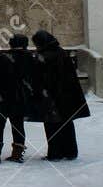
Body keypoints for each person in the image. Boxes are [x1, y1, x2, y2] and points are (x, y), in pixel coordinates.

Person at [31, 28, 90, 161]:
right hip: (67, 96)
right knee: (67, 124)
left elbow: (41, 78)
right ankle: (70, 152)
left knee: (52, 125)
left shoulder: (44, 56)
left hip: (52, 97)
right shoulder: (61, 52)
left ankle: (55, 153)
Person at [0, 34, 34, 162]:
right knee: (18, 125)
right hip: (20, 98)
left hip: (1, 98)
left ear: (12, 44)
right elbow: (35, 79)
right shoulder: (30, 59)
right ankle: (17, 153)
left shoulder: (3, 58)